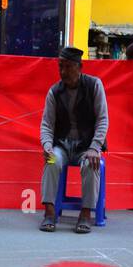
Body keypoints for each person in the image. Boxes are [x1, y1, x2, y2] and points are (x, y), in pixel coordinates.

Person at [38, 45, 107, 234]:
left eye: (68, 67)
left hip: (87, 146)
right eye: (60, 66)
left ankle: (85, 213)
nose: (63, 72)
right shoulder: (54, 92)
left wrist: (95, 147)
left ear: (80, 67)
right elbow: (46, 125)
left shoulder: (94, 86)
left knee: (92, 164)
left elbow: (102, 120)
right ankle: (49, 212)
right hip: (61, 145)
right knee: (51, 161)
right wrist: (47, 145)